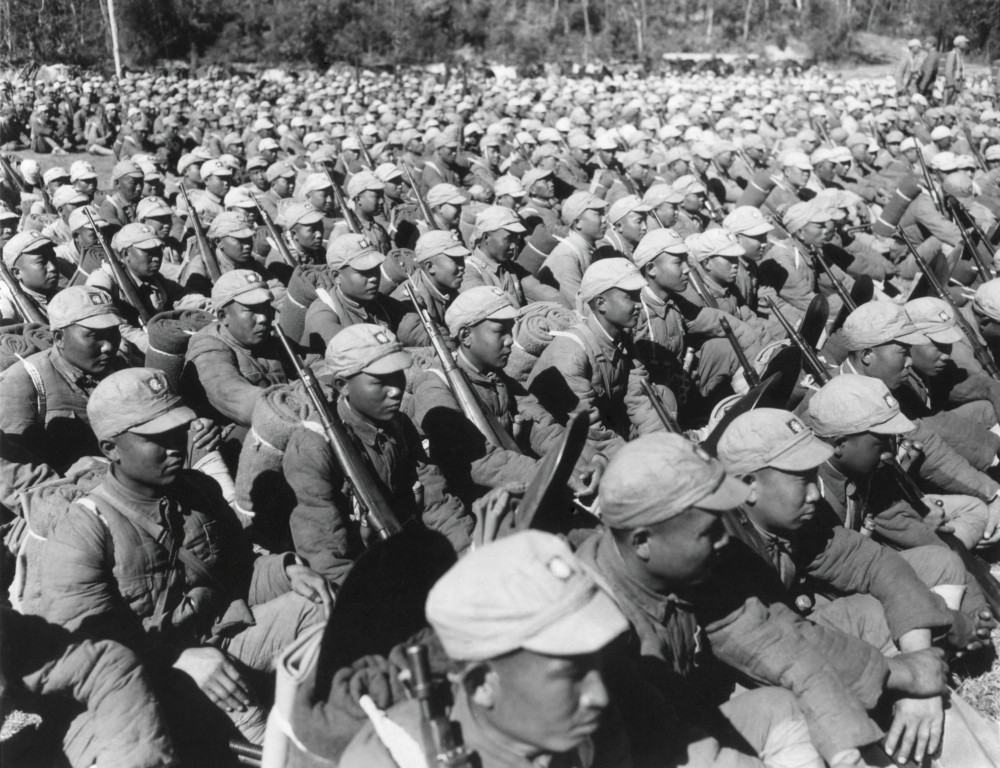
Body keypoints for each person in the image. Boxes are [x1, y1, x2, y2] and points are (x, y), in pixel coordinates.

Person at [580, 432, 952, 768]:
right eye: (709, 532)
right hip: (644, 754)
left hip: (686, 725)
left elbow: (788, 653)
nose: (725, 539)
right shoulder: (592, 626)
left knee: (786, 707)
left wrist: (854, 747)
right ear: (643, 541)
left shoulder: (686, 567)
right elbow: (660, 745)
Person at [32, 367, 331, 748]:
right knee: (271, 741)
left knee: (324, 607)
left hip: (224, 639)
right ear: (111, 449)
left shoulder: (197, 490)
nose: (175, 445)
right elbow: (83, 646)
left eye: (177, 430)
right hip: (152, 678)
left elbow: (239, 570)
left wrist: (288, 572)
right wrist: (178, 658)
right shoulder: (82, 531)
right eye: (156, 438)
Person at [340, 530, 632, 768]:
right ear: (481, 684)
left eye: (596, 665)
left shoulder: (585, 729)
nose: (600, 695)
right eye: (572, 674)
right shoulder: (390, 759)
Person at [284, 324, 472, 585]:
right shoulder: (313, 447)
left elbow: (436, 501)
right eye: (380, 381)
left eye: (398, 376)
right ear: (342, 385)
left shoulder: (399, 424)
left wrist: (467, 557)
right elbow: (324, 552)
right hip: (368, 574)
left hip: (409, 548)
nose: (396, 389)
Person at [528, 258, 664, 457]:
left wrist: (662, 443)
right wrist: (633, 460)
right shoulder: (571, 354)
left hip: (604, 431)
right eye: (630, 297)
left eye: (638, 296)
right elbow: (589, 431)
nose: (639, 306)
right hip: (570, 449)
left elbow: (640, 398)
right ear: (601, 303)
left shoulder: (623, 339)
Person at [86, 222, 202, 354]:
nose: (157, 257)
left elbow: (183, 297)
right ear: (125, 254)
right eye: (148, 252)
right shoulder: (103, 281)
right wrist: (152, 343)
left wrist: (212, 307)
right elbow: (108, 326)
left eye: (158, 250)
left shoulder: (153, 278)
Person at [300, 233, 402, 353]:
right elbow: (355, 353)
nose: (373, 277)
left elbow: (413, 329)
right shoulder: (323, 312)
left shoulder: (377, 301)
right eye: (364, 272)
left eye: (375, 269)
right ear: (337, 276)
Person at [461, 204, 567, 308]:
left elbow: (540, 290)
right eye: (509, 239)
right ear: (487, 237)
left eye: (516, 239)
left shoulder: (510, 267)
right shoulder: (469, 273)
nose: (514, 246)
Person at [391, 229, 467, 346]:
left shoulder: (447, 287)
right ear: (430, 266)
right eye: (455, 261)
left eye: (462, 260)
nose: (462, 267)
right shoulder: (410, 303)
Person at [539, 191, 608, 303]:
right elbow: (579, 305)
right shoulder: (566, 257)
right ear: (578, 222)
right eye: (598, 214)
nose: (604, 219)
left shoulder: (589, 247)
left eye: (603, 213)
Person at [0, 230, 59, 322]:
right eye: (42, 262)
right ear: (17, 273)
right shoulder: (9, 305)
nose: (52, 267)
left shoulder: (66, 295)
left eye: (53, 257)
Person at [943, 35, 969, 106]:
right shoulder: (952, 54)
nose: (966, 44)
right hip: (951, 86)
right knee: (947, 106)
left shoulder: (960, 55)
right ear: (959, 43)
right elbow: (949, 71)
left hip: (957, 87)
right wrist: (951, 85)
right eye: (964, 42)